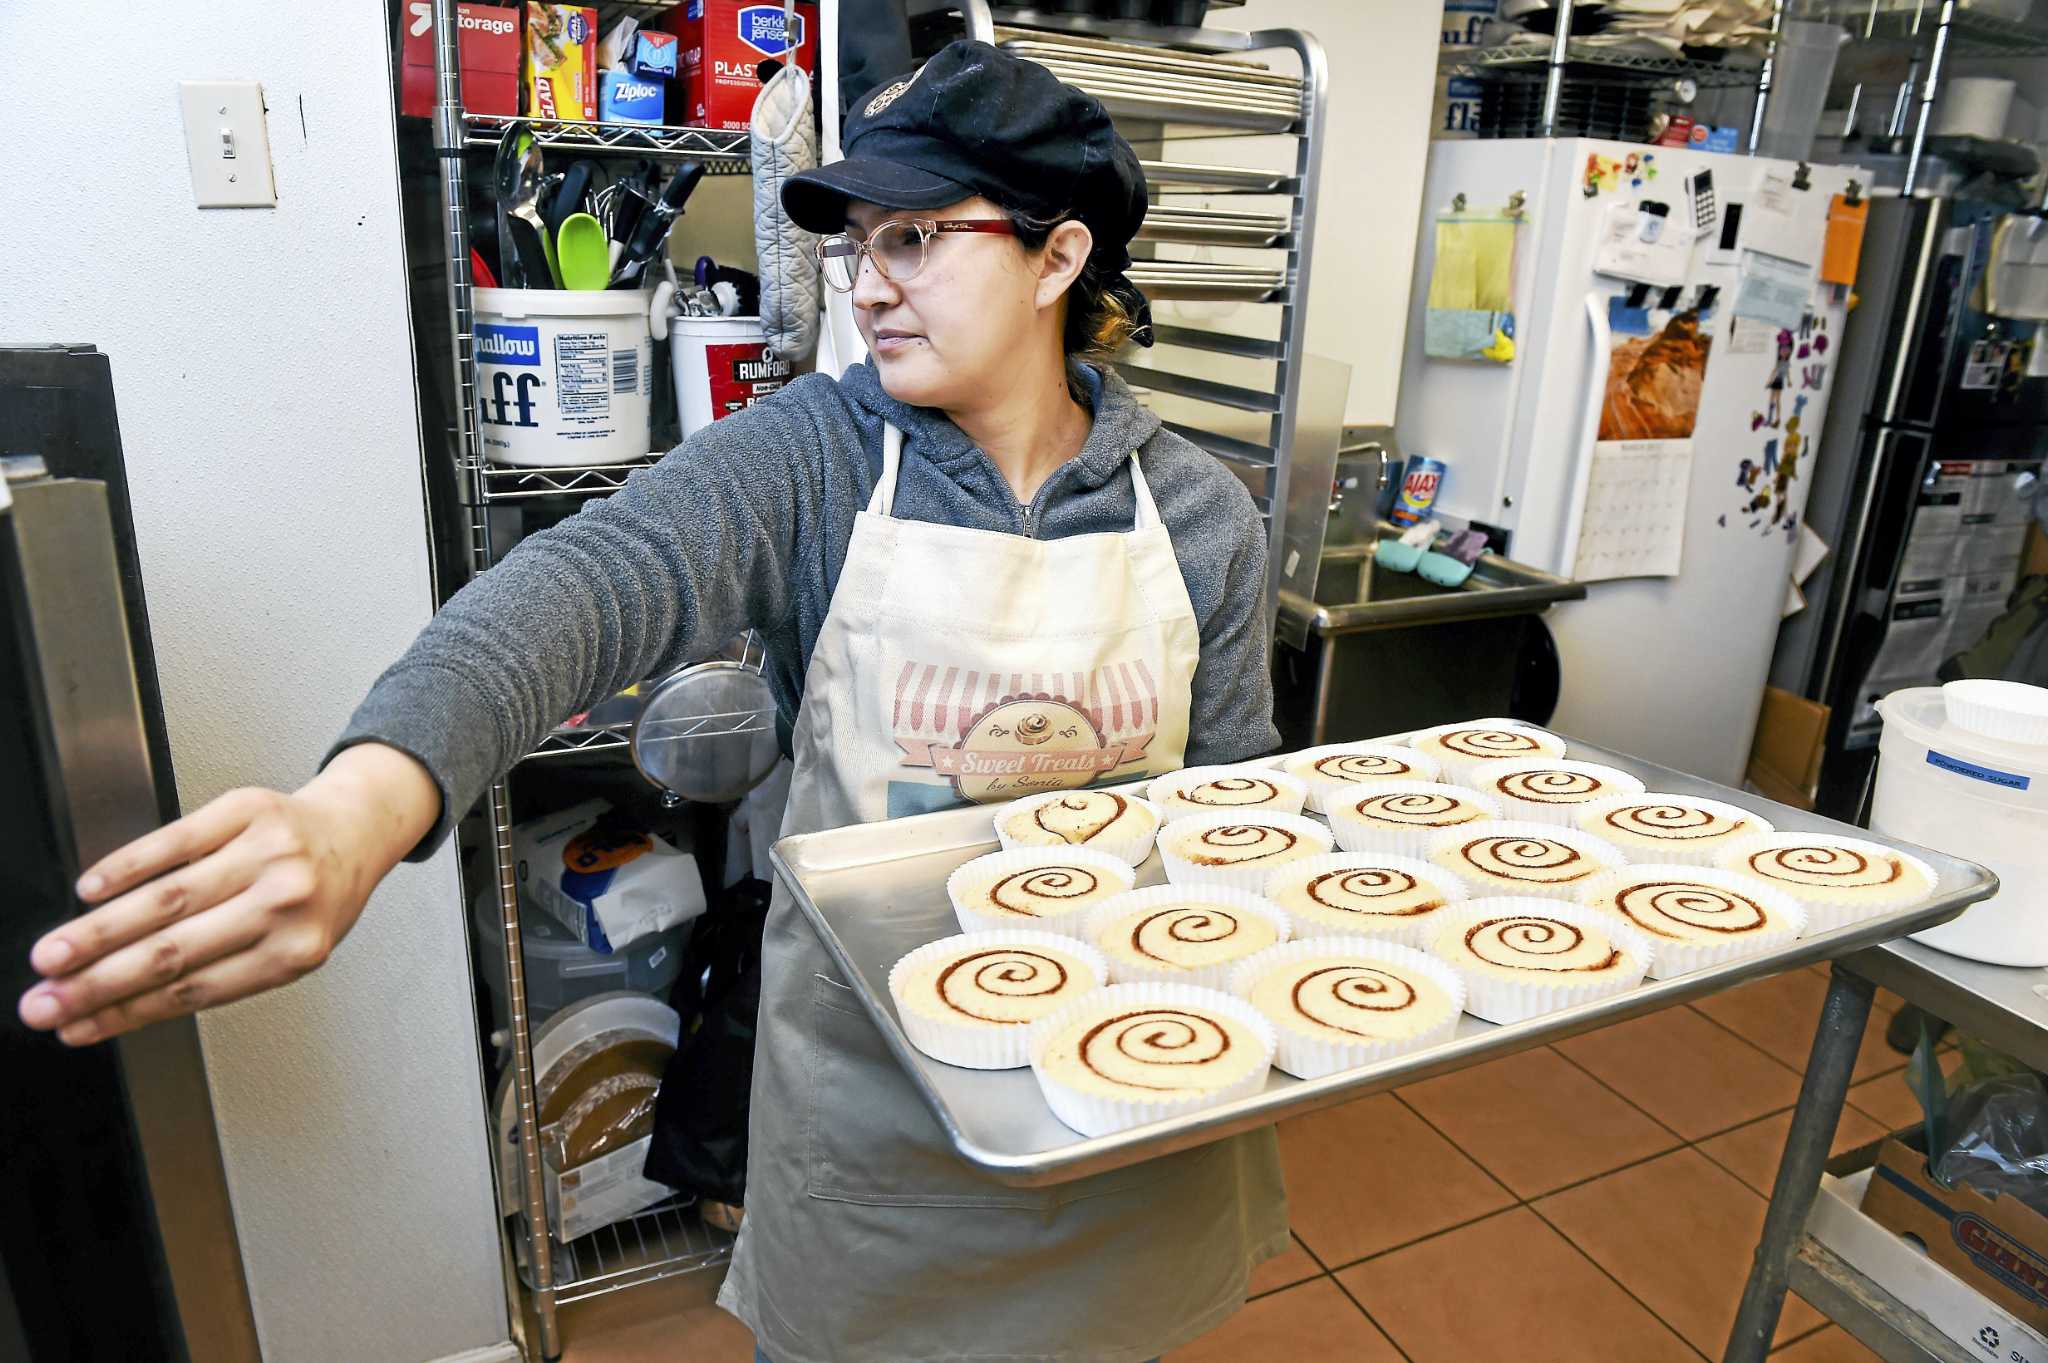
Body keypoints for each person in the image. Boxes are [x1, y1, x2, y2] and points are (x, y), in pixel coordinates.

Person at [16, 40, 1287, 1363]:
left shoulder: (1195, 516)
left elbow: (1230, 812)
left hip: (1117, 1092)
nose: (869, 288)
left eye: (912, 238)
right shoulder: (821, 458)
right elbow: (587, 580)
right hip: (881, 1121)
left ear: (1058, 257)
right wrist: (365, 799)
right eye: (857, 245)